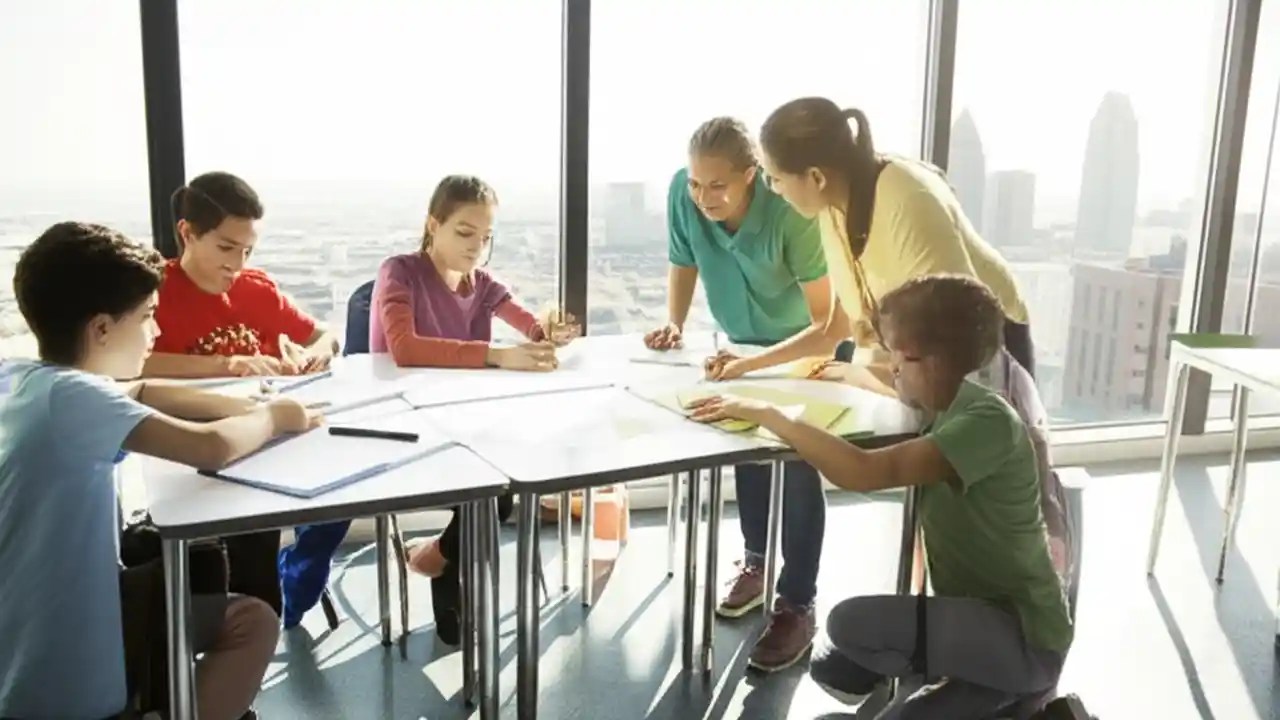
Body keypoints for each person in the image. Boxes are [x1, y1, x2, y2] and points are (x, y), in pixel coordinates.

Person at [687, 275, 1072, 718]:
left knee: (848, 626)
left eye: (894, 355)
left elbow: (867, 471)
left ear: (930, 362)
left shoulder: (988, 422)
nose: (890, 367)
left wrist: (772, 415)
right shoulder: (952, 405)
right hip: (980, 625)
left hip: (1022, 636)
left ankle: (1019, 690)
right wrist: (847, 371)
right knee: (872, 694)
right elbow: (892, 385)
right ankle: (1006, 698)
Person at [0, 222, 320, 719]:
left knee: (247, 618)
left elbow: (142, 392)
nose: (157, 331)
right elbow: (210, 449)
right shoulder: (76, 398)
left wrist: (240, 410)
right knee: (252, 623)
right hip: (67, 661)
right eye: (148, 317)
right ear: (101, 329)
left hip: (28, 621)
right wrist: (276, 417)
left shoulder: (29, 382)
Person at [645, 117, 848, 671]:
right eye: (695, 183)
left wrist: (755, 365)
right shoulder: (683, 196)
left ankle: (798, 604)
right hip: (742, 350)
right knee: (747, 451)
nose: (703, 197)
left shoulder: (791, 214)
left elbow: (826, 322)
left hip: (805, 351)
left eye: (717, 186)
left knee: (797, 463)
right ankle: (757, 563)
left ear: (752, 175)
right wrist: (676, 323)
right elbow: (683, 261)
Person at [369, 174, 578, 645]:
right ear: (433, 224)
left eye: (485, 238)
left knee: (501, 479)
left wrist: (551, 331)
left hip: (462, 419)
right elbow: (404, 349)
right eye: (465, 233)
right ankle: (442, 563)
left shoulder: (482, 284)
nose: (476, 248)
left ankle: (439, 557)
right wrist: (497, 355)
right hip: (401, 422)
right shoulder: (398, 272)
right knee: (491, 486)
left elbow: (528, 325)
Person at [143, 170, 339, 621]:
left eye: (248, 250)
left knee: (337, 499)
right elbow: (133, 366)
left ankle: (280, 601)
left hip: (267, 442)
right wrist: (226, 364)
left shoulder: (256, 290)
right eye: (226, 248)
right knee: (247, 577)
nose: (237, 263)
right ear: (186, 233)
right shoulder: (155, 290)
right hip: (192, 452)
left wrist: (313, 353)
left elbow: (325, 334)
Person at [759, 97, 1035, 378]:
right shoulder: (831, 207)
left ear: (816, 177)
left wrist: (857, 376)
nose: (773, 189)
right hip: (924, 365)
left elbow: (951, 346)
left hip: (987, 350)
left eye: (776, 179)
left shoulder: (907, 199)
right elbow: (838, 327)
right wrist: (746, 365)